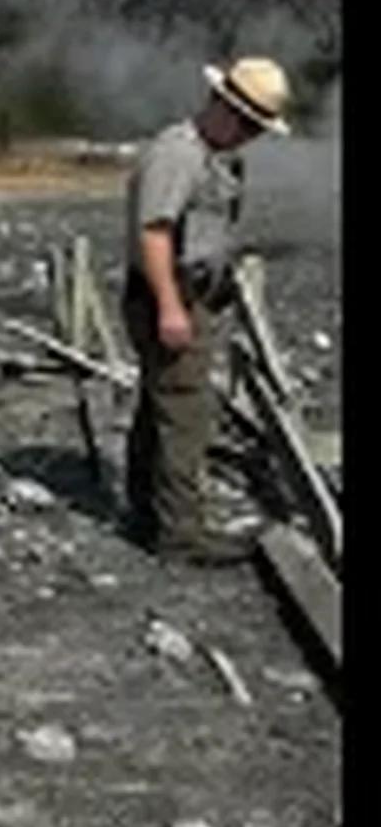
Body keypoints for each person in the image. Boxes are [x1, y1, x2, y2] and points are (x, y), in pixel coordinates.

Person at [122, 56, 291, 565]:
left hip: (188, 292)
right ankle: (181, 534)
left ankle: (150, 512)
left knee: (163, 407)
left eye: (257, 129)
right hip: (166, 294)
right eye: (247, 124)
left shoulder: (215, 156)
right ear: (222, 106)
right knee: (186, 414)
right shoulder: (179, 155)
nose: (250, 136)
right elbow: (154, 233)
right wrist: (171, 307)